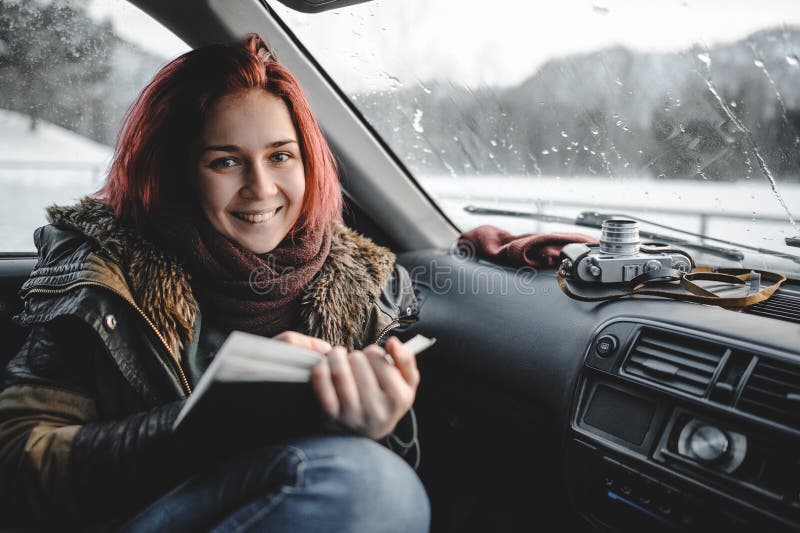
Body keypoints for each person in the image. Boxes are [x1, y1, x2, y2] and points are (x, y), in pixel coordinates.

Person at [0, 34, 429, 532]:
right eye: (225, 161)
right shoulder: (106, 275)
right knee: (373, 486)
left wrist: (375, 428)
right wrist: (202, 425)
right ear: (177, 172)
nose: (261, 188)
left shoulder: (364, 288)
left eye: (281, 156)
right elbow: (16, 460)